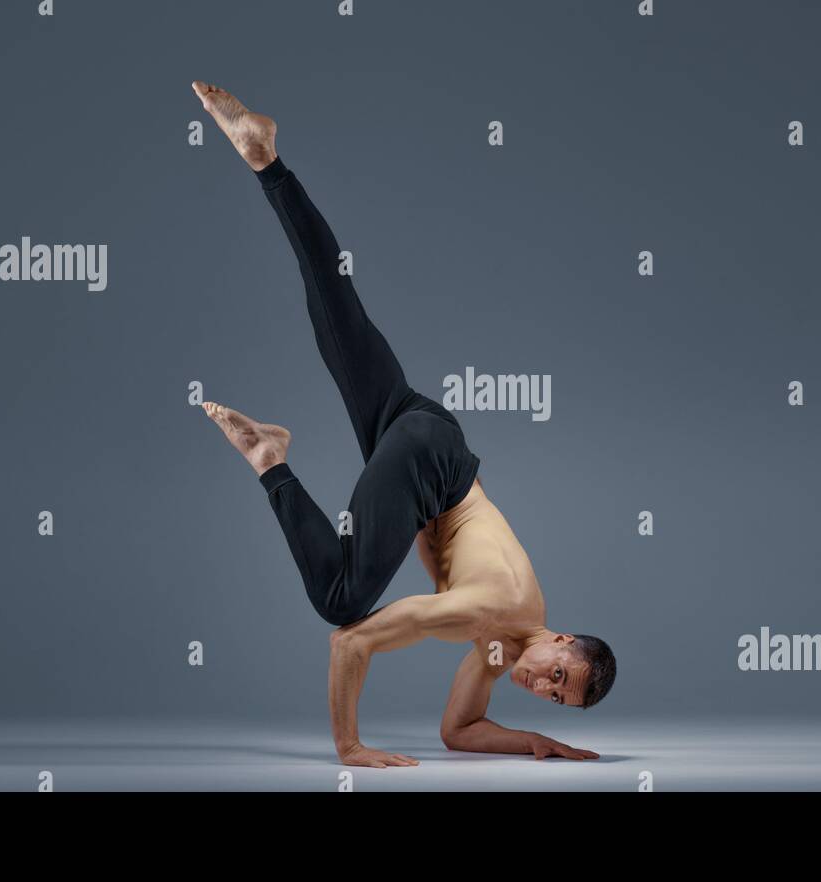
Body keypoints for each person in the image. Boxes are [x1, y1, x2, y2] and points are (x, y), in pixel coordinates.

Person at [192, 82, 616, 768]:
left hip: (431, 439)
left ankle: (265, 159)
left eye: (553, 698)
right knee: (341, 601)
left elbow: (459, 730)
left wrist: (533, 742)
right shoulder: (489, 612)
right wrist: (350, 746)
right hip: (428, 468)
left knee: (337, 311)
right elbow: (351, 642)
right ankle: (270, 460)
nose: (540, 687)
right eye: (557, 675)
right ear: (562, 640)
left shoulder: (509, 635)